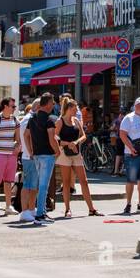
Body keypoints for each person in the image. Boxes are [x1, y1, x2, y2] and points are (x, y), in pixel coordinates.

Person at [56, 96, 102, 218]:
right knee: (66, 182)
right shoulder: (60, 121)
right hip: (64, 154)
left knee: (84, 181)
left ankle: (91, 209)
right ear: (69, 108)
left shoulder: (76, 120)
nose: (77, 110)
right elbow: (55, 138)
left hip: (76, 153)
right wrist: (67, 143)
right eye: (75, 108)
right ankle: (67, 209)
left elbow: (83, 136)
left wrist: (76, 142)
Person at [28, 93, 59, 224]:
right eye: (52, 103)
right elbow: (52, 138)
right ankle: (40, 214)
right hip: (47, 155)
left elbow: (26, 135)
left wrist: (31, 150)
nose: (53, 105)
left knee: (40, 184)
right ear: (47, 104)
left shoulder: (32, 118)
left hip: (36, 154)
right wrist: (57, 151)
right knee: (43, 185)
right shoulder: (49, 120)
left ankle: (41, 212)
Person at [119, 96, 140, 216]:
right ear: (136, 105)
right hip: (132, 153)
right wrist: (131, 148)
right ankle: (128, 203)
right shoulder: (128, 118)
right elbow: (122, 134)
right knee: (131, 180)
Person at [17, 99, 42, 223]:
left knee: (34, 186)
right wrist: (32, 152)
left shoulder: (28, 118)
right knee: (28, 185)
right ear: (38, 107)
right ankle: (25, 211)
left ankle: (31, 209)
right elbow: (29, 137)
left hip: (29, 156)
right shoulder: (29, 119)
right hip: (30, 157)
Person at [111, 106, 126, 177]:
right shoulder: (127, 118)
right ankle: (121, 170)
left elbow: (113, 127)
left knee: (118, 154)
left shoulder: (117, 119)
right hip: (126, 138)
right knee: (125, 154)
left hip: (119, 138)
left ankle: (116, 170)